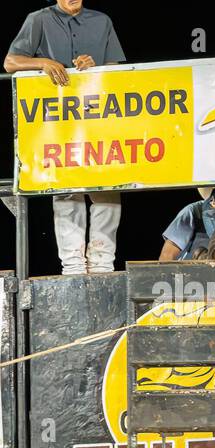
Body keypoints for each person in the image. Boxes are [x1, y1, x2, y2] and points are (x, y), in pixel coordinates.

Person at [5, 0, 125, 274]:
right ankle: (72, 266)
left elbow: (116, 68)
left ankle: (103, 264)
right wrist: (44, 62)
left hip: (98, 117)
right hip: (57, 121)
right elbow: (11, 62)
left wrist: (95, 66)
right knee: (66, 189)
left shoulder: (102, 20)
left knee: (107, 188)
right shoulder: (38, 19)